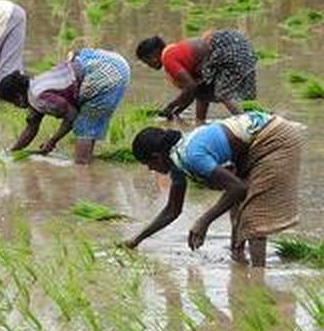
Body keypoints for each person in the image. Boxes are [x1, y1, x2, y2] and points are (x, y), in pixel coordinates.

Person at [126, 111, 303, 267]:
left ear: (157, 157)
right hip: (255, 141)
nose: (150, 169)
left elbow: (238, 188)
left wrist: (204, 221)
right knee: (236, 209)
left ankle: (257, 279)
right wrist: (136, 240)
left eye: (148, 164)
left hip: (275, 138)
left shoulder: (191, 156)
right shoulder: (177, 161)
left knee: (254, 216)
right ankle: (238, 259)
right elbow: (172, 210)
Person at [0, 48, 131, 164]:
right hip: (112, 62)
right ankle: (88, 160)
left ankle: (83, 170)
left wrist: (53, 140)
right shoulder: (35, 86)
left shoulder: (38, 98)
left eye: (13, 103)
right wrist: (12, 152)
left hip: (107, 74)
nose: (16, 106)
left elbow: (73, 116)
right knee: (88, 126)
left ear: (18, 98)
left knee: (84, 128)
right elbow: (31, 129)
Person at [136, 30, 257, 124]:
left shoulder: (168, 58)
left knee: (223, 93)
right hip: (238, 45)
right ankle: (250, 121)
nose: (149, 66)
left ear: (153, 55)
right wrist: (178, 113)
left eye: (147, 62)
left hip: (229, 48)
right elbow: (196, 93)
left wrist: (170, 106)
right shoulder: (177, 52)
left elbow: (190, 87)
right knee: (204, 92)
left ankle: (246, 124)